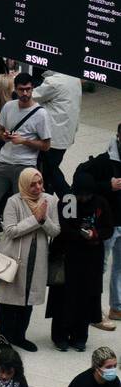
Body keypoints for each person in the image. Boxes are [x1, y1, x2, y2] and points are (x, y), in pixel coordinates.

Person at [0, 168, 60, 351]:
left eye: (40, 182)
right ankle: (4, 337)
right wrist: (35, 220)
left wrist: (43, 219)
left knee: (28, 300)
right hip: (14, 258)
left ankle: (20, 336)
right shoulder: (14, 201)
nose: (38, 187)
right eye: (32, 184)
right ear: (24, 184)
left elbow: (55, 231)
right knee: (8, 301)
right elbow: (11, 231)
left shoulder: (51, 200)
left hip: (37, 260)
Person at [48, 172, 113, 350]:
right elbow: (63, 228)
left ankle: (80, 337)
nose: (83, 199)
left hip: (91, 261)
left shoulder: (100, 203)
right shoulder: (68, 201)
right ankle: (60, 336)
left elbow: (108, 228)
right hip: (68, 258)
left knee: (85, 299)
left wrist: (95, 234)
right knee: (64, 299)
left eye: (86, 195)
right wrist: (82, 235)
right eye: (80, 195)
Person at [0, 73, 52, 217]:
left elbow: (46, 145)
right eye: (21, 89)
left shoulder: (41, 114)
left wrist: (24, 141)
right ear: (15, 89)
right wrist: (3, 135)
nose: (25, 93)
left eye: (28, 89)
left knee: (21, 210)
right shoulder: (9, 106)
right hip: (3, 161)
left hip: (25, 165)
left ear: (33, 89)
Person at [77, 121, 121, 333]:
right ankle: (95, 311)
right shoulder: (104, 162)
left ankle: (116, 306)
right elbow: (81, 180)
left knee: (119, 268)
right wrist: (107, 186)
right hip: (109, 224)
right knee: (99, 269)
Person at [31, 70, 82, 196]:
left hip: (52, 139)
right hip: (66, 136)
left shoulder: (53, 82)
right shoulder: (74, 78)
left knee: (51, 172)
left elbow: (31, 95)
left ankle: (70, 204)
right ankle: (50, 199)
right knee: (50, 172)